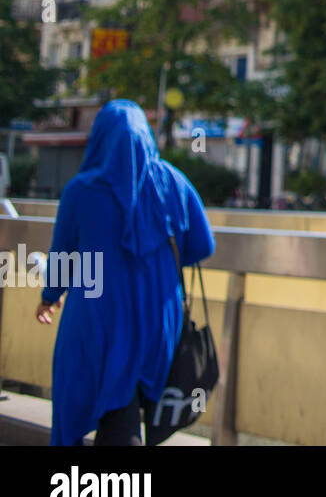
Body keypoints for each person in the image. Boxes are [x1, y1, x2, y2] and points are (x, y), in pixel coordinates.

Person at [34, 100, 215, 445]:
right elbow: (203, 245)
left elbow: (62, 258)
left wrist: (49, 298)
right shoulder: (174, 183)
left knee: (107, 410)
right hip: (158, 321)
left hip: (96, 320)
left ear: (99, 138)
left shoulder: (81, 191)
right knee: (128, 405)